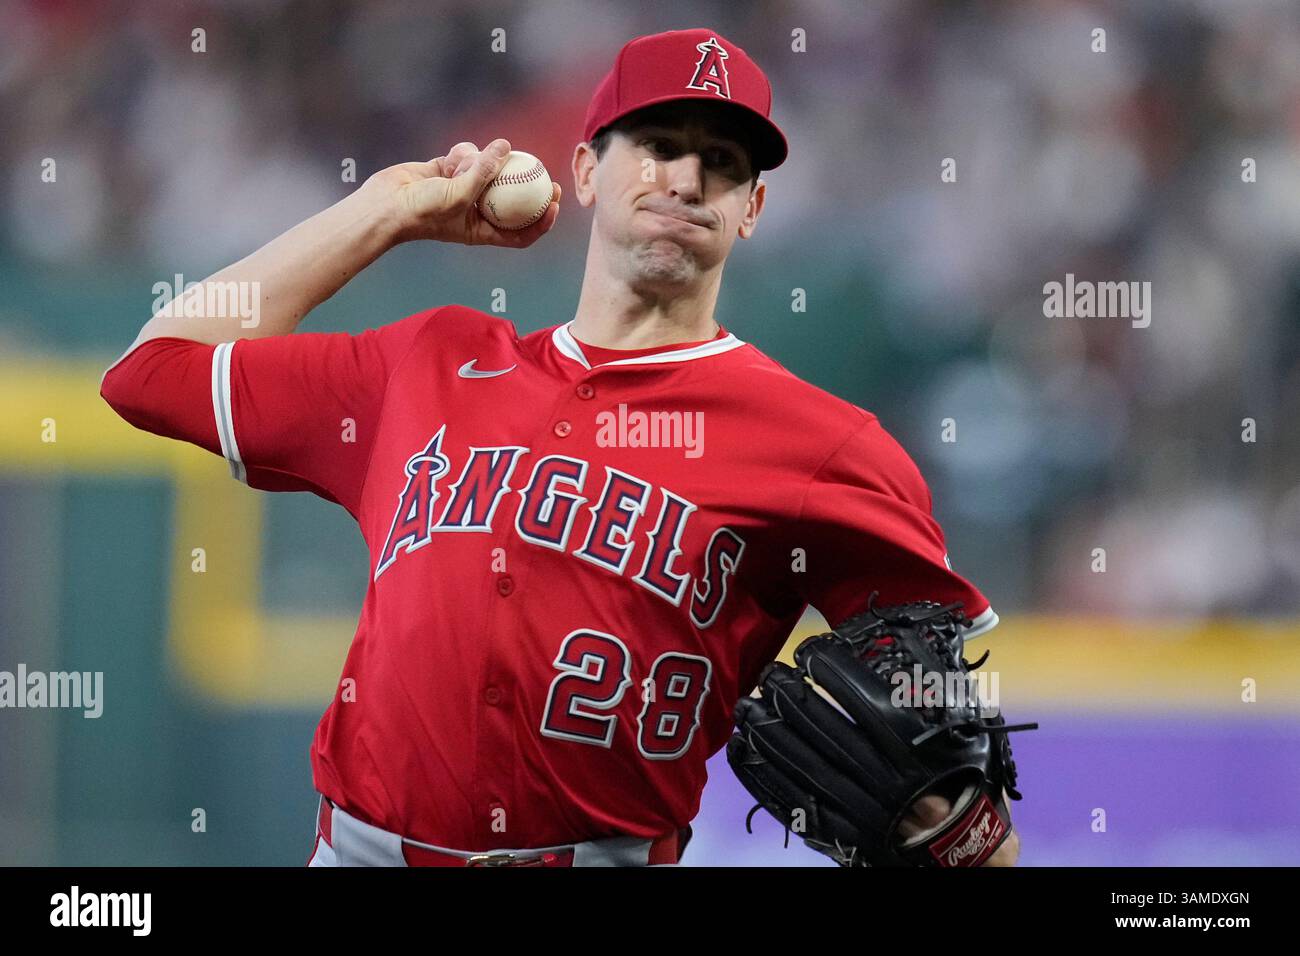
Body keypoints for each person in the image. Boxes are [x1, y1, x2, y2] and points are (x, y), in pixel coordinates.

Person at [100, 27, 1018, 866]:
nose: (687, 182)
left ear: (753, 207)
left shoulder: (823, 445)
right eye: (657, 147)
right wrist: (385, 213)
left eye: (723, 164)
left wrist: (967, 837)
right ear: (583, 170)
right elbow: (152, 374)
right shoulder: (428, 362)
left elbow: (951, 715)